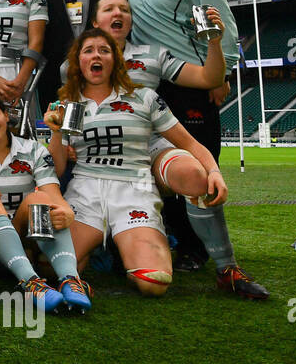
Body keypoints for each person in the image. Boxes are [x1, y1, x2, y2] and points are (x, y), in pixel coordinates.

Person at [92, 0, 267, 297]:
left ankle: (227, 269)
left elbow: (208, 77)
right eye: (109, 9)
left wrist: (214, 42)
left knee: (195, 175)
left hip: (150, 144)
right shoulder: (77, 61)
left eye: (124, 9)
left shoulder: (153, 55)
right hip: (101, 156)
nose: (118, 13)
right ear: (96, 22)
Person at [43, 28, 229, 297]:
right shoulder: (69, 105)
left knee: (153, 283)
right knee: (49, 267)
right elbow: (58, 168)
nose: (96, 55)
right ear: (77, 62)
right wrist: (56, 132)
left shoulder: (144, 97)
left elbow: (189, 144)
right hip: (85, 191)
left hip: (134, 189)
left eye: (104, 51)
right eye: (88, 50)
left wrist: (213, 171)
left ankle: (126, 245)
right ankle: (96, 250)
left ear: (115, 60)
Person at [126, 0, 240, 273]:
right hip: (154, 84)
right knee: (162, 168)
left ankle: (200, 249)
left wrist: (225, 74)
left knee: (199, 165)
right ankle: (179, 239)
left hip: (191, 81)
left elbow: (224, 24)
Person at [0, 91, 89, 312]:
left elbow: (52, 193)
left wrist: (65, 211)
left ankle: (70, 280)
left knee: (39, 198)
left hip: (21, 239)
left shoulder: (33, 149)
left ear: (6, 115)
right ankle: (30, 282)